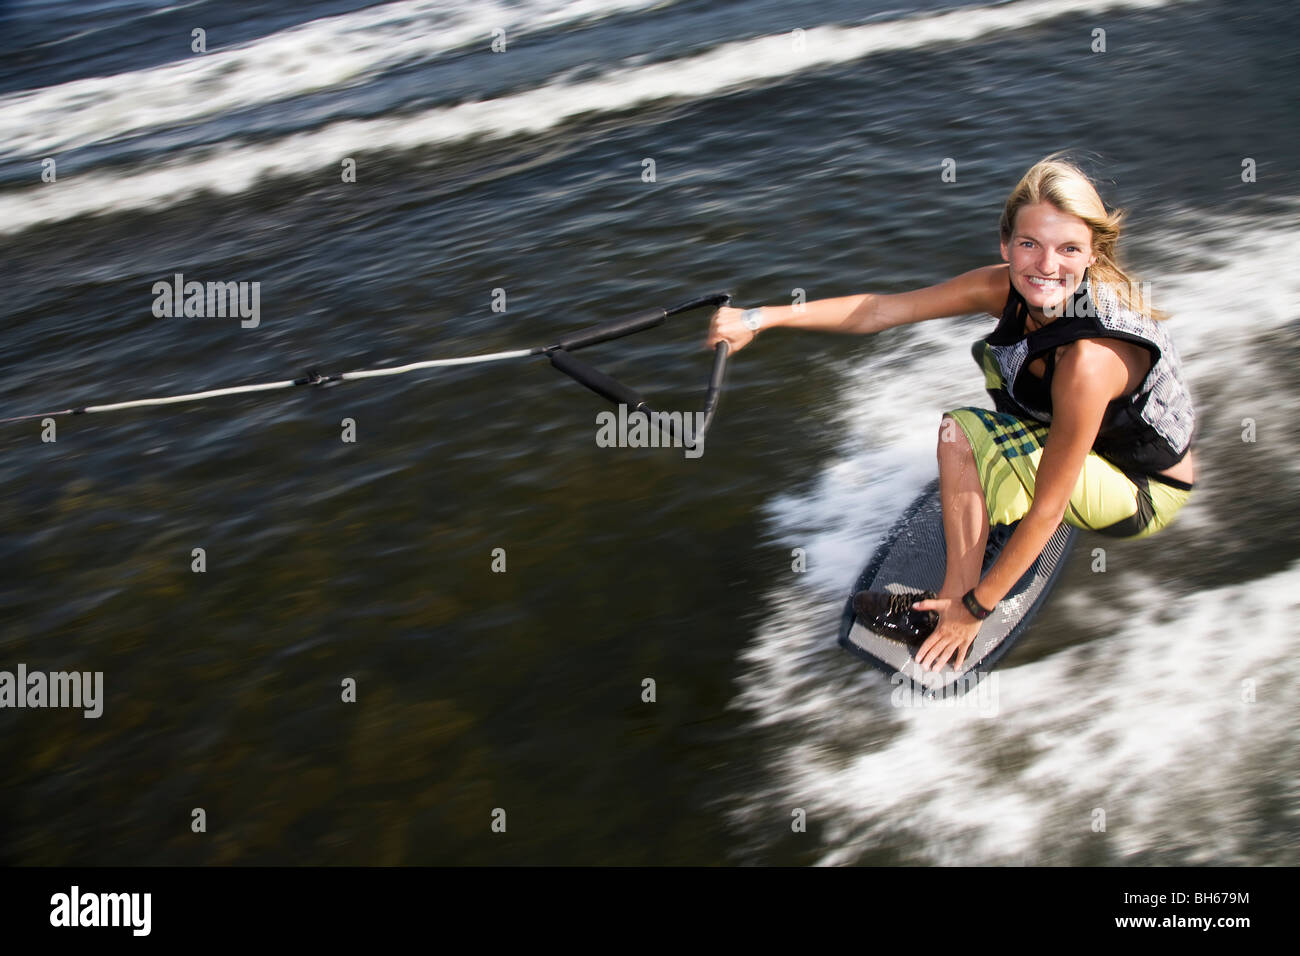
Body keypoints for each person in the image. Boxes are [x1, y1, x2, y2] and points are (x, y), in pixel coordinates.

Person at [706, 155, 1197, 673]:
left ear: (1092, 253)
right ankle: (1010, 489)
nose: (1047, 266)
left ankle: (947, 606)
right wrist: (759, 319)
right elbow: (882, 309)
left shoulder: (1088, 362)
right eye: (1030, 244)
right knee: (995, 359)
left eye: (1068, 248)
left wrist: (975, 608)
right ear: (1005, 243)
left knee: (959, 431)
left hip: (1141, 489)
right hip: (1089, 439)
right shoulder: (1005, 287)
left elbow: (1049, 512)